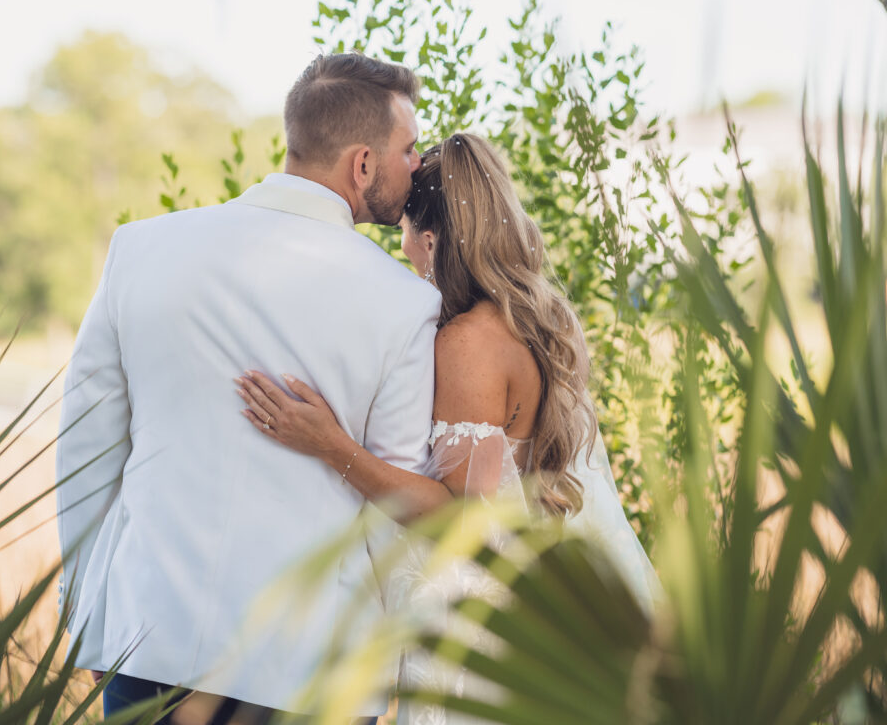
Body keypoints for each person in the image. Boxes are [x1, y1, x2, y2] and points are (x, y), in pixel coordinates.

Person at [56, 52, 440, 724]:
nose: (418, 165)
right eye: (408, 150)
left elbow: (86, 454)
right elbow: (393, 512)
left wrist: (91, 618)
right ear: (362, 164)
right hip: (315, 674)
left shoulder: (140, 250)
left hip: (149, 643)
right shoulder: (403, 305)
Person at [236, 132, 660, 723]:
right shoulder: (525, 323)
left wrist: (329, 445)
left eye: (405, 235)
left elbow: (463, 517)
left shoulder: (468, 346)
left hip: (481, 639)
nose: (403, 251)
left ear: (430, 239)